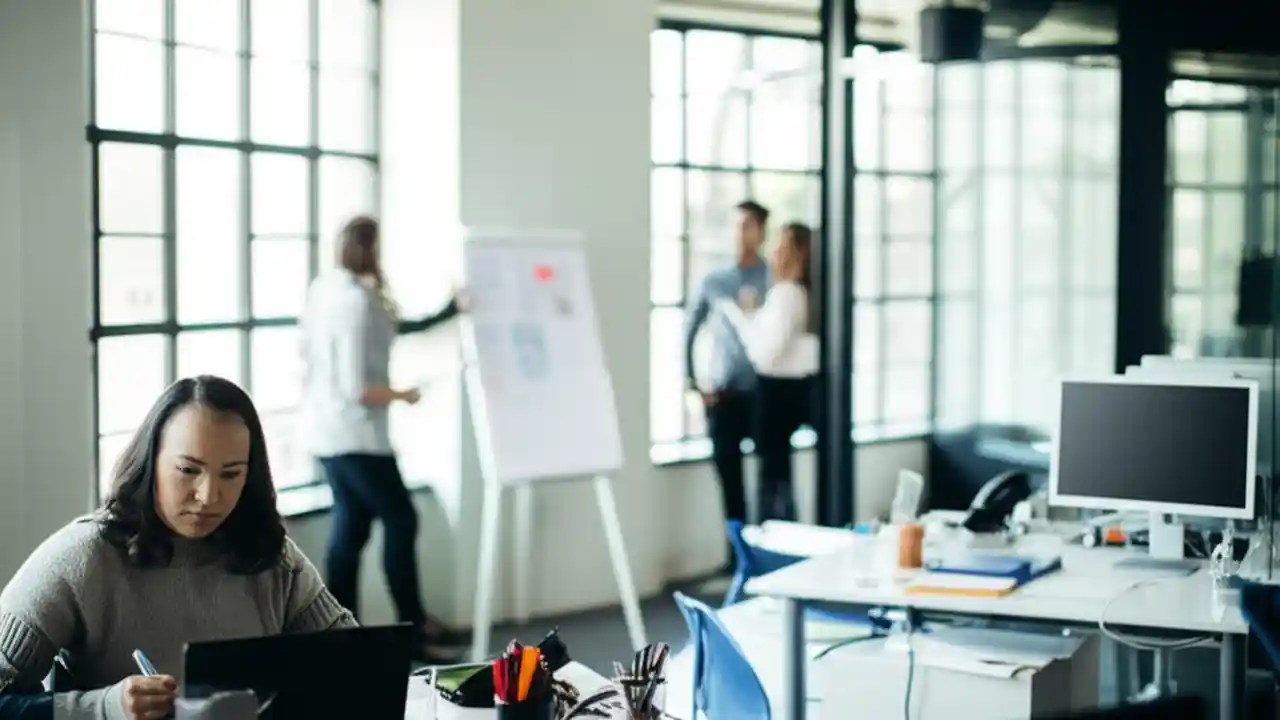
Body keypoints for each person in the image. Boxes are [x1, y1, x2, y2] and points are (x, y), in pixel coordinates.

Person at [0, 376, 355, 720]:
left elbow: (360, 666)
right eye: (188, 469)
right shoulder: (80, 558)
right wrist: (104, 708)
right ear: (150, 460)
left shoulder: (273, 557)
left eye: (231, 474)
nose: (208, 496)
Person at [298, 215, 465, 662]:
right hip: (355, 435)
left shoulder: (325, 291)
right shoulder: (355, 302)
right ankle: (412, 630)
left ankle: (341, 636)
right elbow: (359, 388)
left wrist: (450, 310)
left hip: (325, 432)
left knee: (351, 526)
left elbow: (394, 328)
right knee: (401, 518)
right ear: (367, 249)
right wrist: (404, 395)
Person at [716, 222, 818, 522]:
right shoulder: (804, 293)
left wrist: (742, 318)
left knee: (773, 478)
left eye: (780, 246)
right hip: (792, 390)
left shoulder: (787, 294)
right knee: (777, 475)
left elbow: (766, 355)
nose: (773, 252)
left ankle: (773, 536)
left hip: (777, 393)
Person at [685, 201, 771, 542]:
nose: (740, 233)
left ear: (761, 231)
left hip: (764, 391)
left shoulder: (773, 279)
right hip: (723, 394)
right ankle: (737, 555)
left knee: (770, 478)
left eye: (748, 225)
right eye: (735, 225)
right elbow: (689, 331)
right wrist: (693, 382)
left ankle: (769, 550)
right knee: (729, 480)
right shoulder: (715, 281)